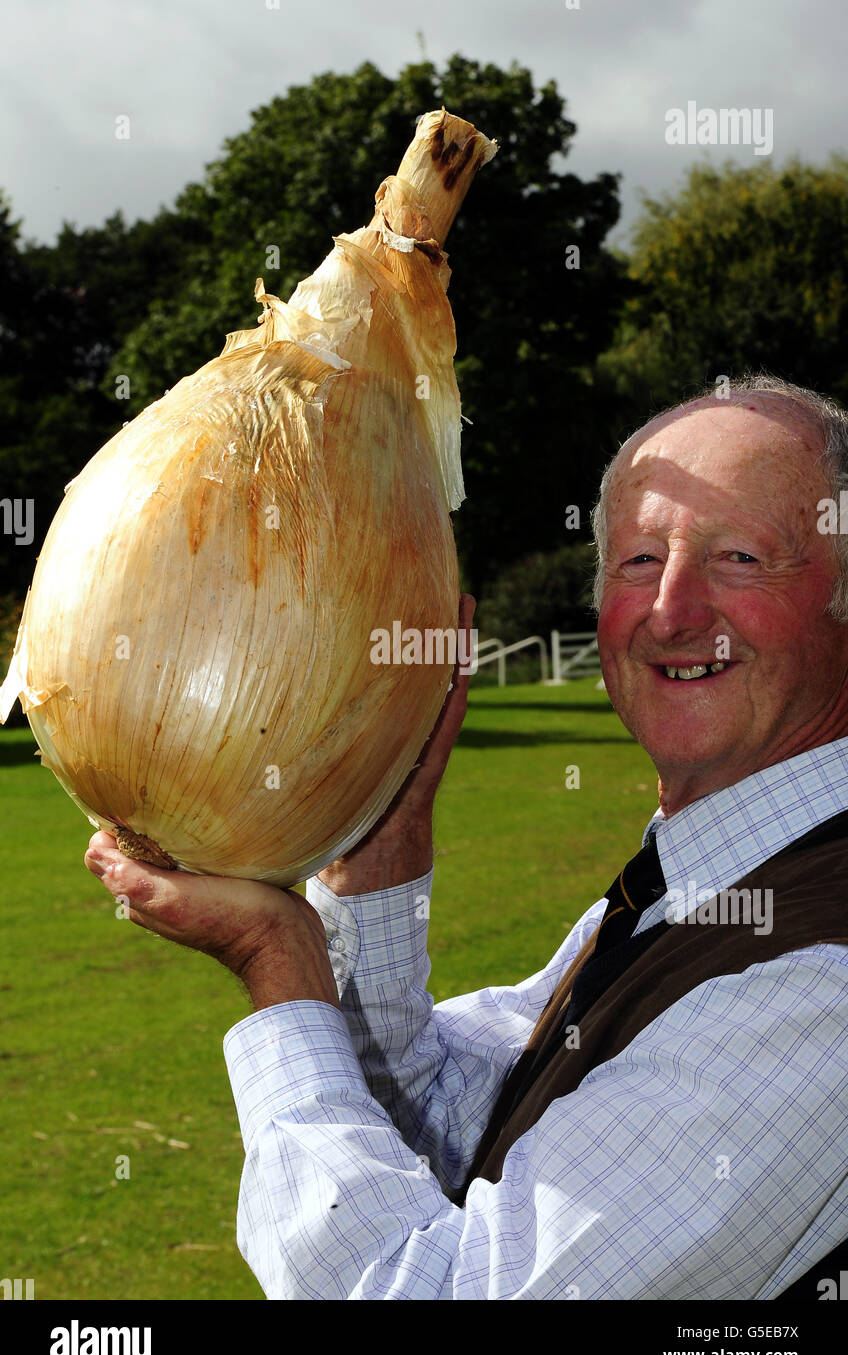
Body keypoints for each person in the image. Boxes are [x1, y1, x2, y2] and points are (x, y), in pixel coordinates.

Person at [85, 373, 848, 1300]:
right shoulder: (709, 878)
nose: (671, 610)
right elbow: (462, 1123)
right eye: (640, 560)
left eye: (740, 556)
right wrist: (380, 853)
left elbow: (434, 1288)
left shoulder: (820, 972)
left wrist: (277, 961)